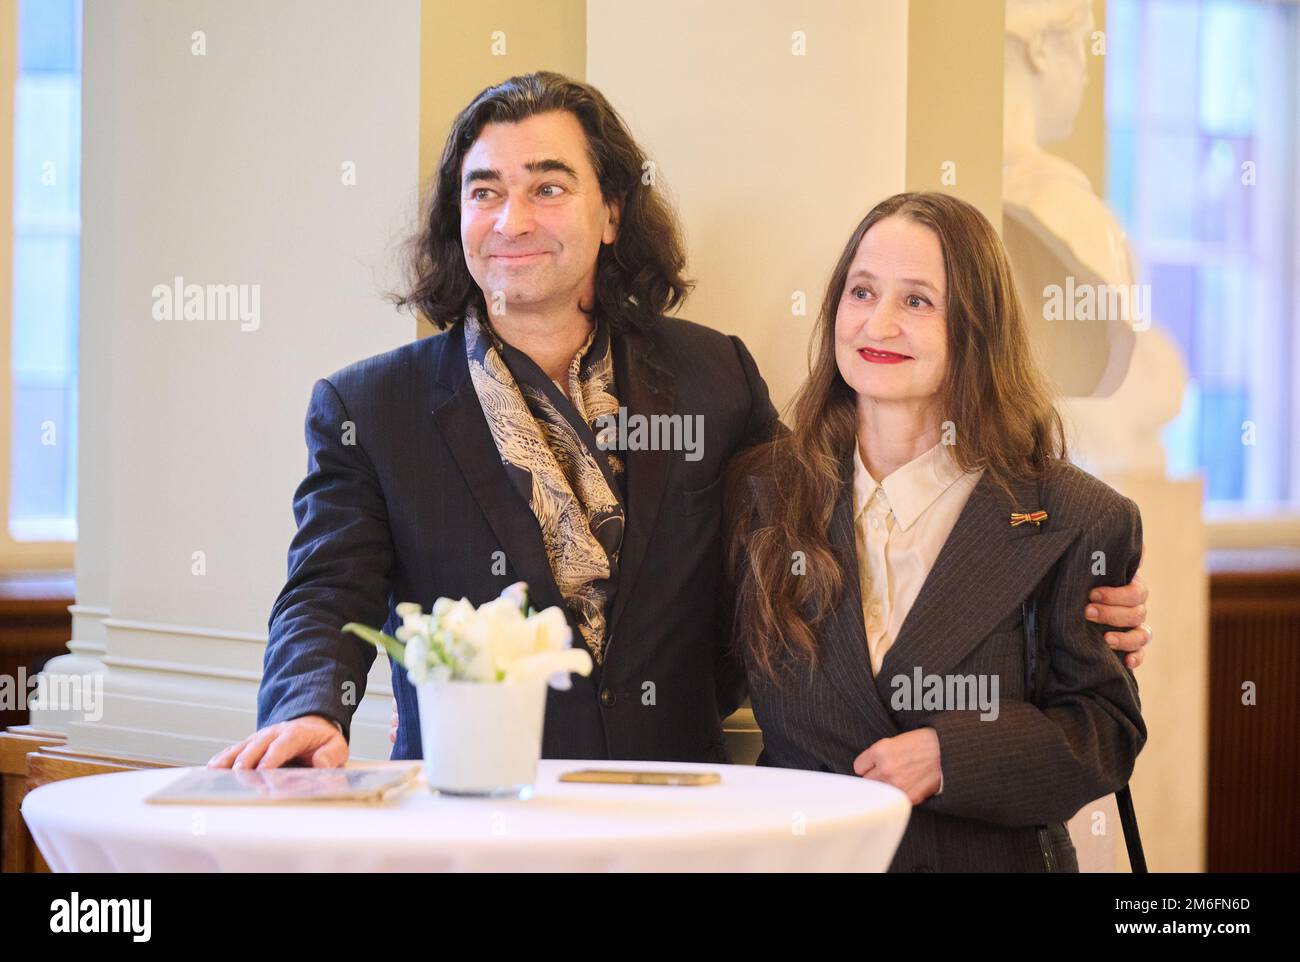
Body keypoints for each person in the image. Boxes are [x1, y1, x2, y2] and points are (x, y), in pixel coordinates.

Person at [208, 74, 1150, 772]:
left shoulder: (710, 374)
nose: (511, 218)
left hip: (681, 809)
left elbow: (823, 535)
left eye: (548, 185)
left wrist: (1051, 589)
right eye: (483, 190)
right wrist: (312, 711)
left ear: (611, 212)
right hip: (477, 816)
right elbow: (324, 597)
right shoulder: (372, 410)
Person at [724, 191, 1147, 871]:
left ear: (976, 329)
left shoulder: (1079, 517)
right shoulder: (762, 493)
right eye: (862, 292)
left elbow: (1105, 733)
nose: (878, 323)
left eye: (917, 301)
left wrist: (953, 757)